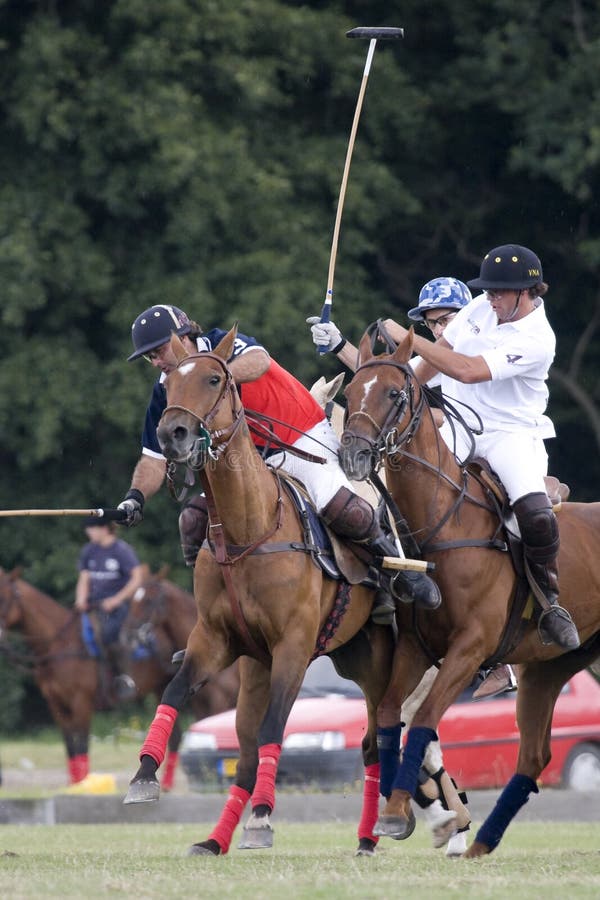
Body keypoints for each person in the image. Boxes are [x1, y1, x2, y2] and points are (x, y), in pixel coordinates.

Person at [116, 304, 442, 624]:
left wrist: (216, 373)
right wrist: (135, 496)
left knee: (343, 507)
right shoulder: (167, 391)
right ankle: (215, 614)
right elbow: (152, 458)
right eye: (150, 357)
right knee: (192, 519)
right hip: (249, 464)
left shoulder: (222, 343)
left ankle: (393, 574)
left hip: (299, 436)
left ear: (183, 338)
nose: (156, 362)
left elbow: (258, 361)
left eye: (158, 351)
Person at [309, 277, 518, 697]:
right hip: (454, 440)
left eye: (446, 320)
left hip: (505, 439)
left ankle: (511, 653)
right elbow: (391, 380)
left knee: (515, 520)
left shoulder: (490, 345)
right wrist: (339, 345)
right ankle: (385, 591)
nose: (439, 330)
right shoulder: (439, 353)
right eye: (432, 323)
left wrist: (424, 422)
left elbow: (435, 397)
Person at [379, 244, 580, 652]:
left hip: (513, 434)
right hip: (459, 426)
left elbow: (469, 371)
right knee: (402, 481)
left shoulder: (538, 338)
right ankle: (394, 578)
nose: (489, 298)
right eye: (487, 290)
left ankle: (548, 600)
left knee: (534, 514)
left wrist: (409, 339)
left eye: (498, 292)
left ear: (526, 292)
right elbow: (444, 356)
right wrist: (406, 388)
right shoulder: (480, 307)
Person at [75, 514, 145, 670]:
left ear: (105, 529)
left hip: (118, 606)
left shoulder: (122, 551)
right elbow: (84, 578)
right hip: (94, 604)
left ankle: (122, 674)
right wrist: (81, 598)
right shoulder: (89, 550)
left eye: (92, 528)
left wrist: (116, 600)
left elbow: (137, 579)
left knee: (108, 635)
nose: (88, 532)